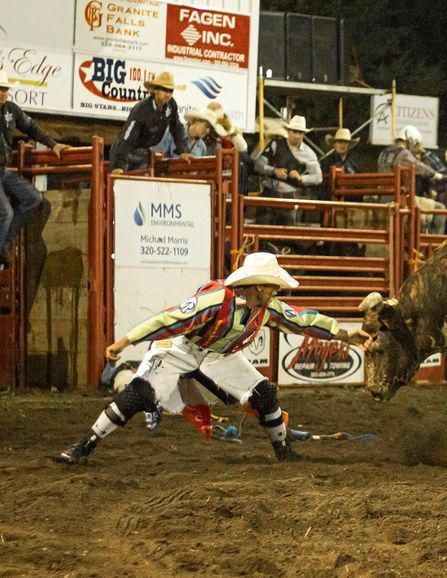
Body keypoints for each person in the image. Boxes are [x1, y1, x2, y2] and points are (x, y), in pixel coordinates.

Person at [54, 252, 370, 464]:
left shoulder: (266, 308)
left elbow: (302, 320)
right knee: (141, 394)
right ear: (259, 285)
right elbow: (171, 320)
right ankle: (85, 445)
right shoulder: (217, 299)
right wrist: (127, 340)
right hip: (180, 349)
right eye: (272, 286)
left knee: (264, 393)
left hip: (221, 355)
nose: (275, 292)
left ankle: (283, 451)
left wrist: (344, 334)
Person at [0, 71, 69, 267]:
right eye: (0, 89)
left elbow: (31, 127)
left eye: (5, 89)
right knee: (6, 212)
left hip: (2, 171)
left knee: (34, 198)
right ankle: (2, 247)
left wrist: (52, 144)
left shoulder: (10, 111)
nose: (3, 93)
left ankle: (5, 243)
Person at [109, 71, 193, 174]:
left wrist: (183, 150)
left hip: (143, 152)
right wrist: (119, 164)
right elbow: (128, 135)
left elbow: (176, 127)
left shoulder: (171, 105)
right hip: (126, 151)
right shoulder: (142, 109)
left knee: (140, 186)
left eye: (170, 91)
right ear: (156, 90)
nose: (168, 94)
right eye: (164, 90)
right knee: (120, 184)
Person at [254, 115, 324, 235]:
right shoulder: (275, 144)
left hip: (289, 197)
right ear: (288, 131)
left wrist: (301, 177)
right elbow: (259, 164)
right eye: (295, 132)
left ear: (303, 134)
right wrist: (274, 171)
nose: (297, 136)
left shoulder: (309, 153)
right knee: (261, 231)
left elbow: (318, 177)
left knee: (286, 234)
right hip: (269, 193)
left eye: (300, 133)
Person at [378, 125, 445, 234]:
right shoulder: (403, 153)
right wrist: (435, 174)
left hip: (383, 197)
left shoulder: (383, 153)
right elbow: (418, 166)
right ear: (410, 140)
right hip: (399, 199)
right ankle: (436, 245)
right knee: (440, 208)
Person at [151, 108, 217, 158]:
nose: (208, 131)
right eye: (207, 126)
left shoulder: (202, 147)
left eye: (210, 128)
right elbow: (156, 155)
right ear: (196, 121)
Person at [320, 127, 361, 200]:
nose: (343, 145)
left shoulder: (354, 166)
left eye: (345, 142)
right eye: (340, 142)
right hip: (330, 204)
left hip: (349, 205)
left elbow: (359, 189)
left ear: (349, 145)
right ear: (334, 144)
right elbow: (319, 187)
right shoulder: (325, 163)